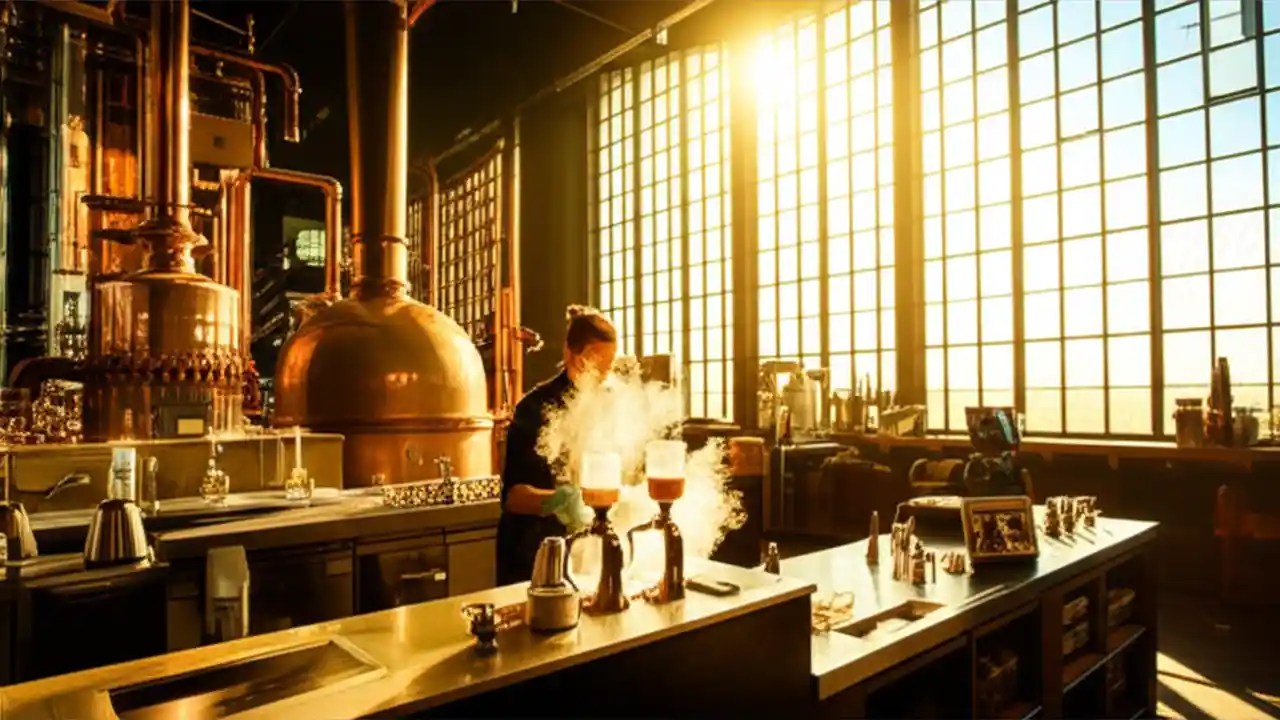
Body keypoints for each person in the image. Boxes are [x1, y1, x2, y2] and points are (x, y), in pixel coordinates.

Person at [495, 305, 618, 585]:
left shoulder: (608, 403)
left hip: (587, 550)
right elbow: (513, 497)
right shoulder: (535, 407)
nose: (602, 375)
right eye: (594, 364)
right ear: (571, 354)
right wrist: (562, 500)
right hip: (536, 552)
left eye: (607, 367)